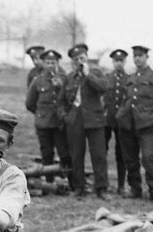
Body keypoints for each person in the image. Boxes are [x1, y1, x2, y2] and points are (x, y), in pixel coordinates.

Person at [116, 45, 153, 202]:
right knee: (130, 158)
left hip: (146, 125)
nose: (137, 59)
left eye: (140, 56)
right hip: (127, 124)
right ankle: (135, 188)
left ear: (147, 57)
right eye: (135, 56)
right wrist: (121, 115)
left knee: (148, 157)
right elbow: (125, 99)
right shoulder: (131, 78)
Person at [63, 43, 110, 199]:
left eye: (82, 58)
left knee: (99, 155)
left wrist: (88, 74)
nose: (79, 61)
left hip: (94, 119)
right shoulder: (70, 77)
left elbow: (103, 88)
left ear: (87, 58)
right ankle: (79, 187)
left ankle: (101, 188)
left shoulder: (96, 73)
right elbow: (62, 100)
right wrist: (66, 116)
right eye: (76, 59)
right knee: (76, 155)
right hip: (75, 120)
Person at [25, 49, 71, 186]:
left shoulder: (64, 78)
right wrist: (40, 114)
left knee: (64, 152)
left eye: (53, 62)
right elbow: (29, 103)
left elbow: (69, 99)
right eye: (48, 63)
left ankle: (66, 178)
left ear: (57, 63)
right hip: (43, 124)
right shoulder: (37, 81)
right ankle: (49, 180)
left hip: (59, 123)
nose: (50, 65)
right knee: (47, 152)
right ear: (43, 64)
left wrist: (60, 87)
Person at [104, 49, 129, 195]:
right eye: (116, 61)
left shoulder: (129, 78)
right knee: (103, 151)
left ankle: (121, 185)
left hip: (122, 121)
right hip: (107, 120)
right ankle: (104, 183)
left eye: (121, 60)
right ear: (113, 62)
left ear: (125, 62)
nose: (118, 63)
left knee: (121, 153)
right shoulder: (107, 78)